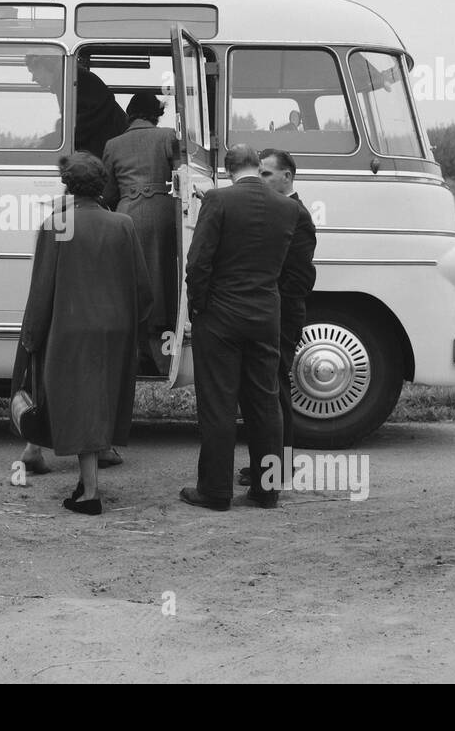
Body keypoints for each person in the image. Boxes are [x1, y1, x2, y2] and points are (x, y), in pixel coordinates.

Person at [13, 153, 152, 514]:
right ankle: (84, 483)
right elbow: (142, 289)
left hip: (71, 329)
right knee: (100, 401)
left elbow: (41, 289)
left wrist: (31, 336)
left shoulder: (58, 224)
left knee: (79, 404)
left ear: (68, 186)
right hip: (115, 329)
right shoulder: (123, 224)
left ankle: (90, 494)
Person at [179, 144, 300, 511]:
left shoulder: (217, 201)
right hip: (266, 314)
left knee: (218, 403)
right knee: (265, 403)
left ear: (227, 169)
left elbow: (197, 263)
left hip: (220, 316)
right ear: (255, 166)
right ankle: (267, 490)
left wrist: (200, 306)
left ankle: (215, 491)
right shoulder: (288, 208)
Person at [236, 149, 317, 487]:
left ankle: (276, 469)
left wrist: (267, 297)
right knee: (265, 389)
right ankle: (268, 465)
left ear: (287, 176)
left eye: (267, 174)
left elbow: (299, 277)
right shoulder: (281, 211)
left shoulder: (296, 214)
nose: (261, 179)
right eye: (259, 173)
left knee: (274, 389)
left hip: (281, 313)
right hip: (271, 310)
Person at [102, 92, 181, 373]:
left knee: (132, 276)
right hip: (163, 213)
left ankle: (137, 335)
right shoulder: (168, 136)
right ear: (155, 115)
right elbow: (182, 174)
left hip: (127, 213)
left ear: (130, 114)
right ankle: (162, 330)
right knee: (162, 274)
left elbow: (108, 190)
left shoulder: (113, 144)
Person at [25, 53, 126, 159]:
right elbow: (74, 123)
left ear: (46, 64)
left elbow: (83, 125)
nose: (33, 78)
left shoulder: (74, 78)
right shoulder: (65, 80)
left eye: (33, 71)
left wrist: (47, 141)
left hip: (110, 151)